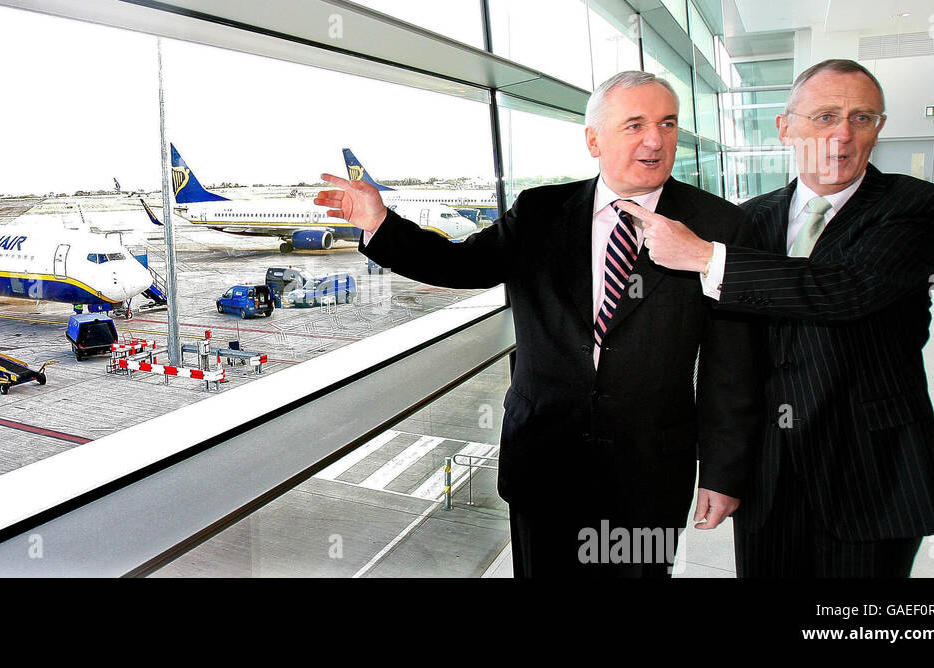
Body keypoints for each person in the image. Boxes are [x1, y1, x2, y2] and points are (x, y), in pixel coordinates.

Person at [315, 71, 761, 578]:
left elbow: (733, 362)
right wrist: (379, 222)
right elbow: (460, 265)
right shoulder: (540, 212)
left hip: (650, 471)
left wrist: (723, 472)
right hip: (545, 459)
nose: (655, 140)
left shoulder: (718, 226)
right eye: (634, 125)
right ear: (593, 138)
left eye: (668, 124)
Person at [617, 59, 934, 577]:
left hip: (870, 471)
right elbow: (727, 360)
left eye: (862, 118)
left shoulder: (918, 207)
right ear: (786, 127)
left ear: (879, 128)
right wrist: (720, 468)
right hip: (768, 474)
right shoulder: (749, 218)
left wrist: (708, 258)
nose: (843, 134)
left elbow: (847, 289)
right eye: (825, 116)